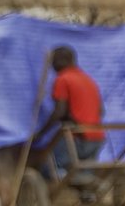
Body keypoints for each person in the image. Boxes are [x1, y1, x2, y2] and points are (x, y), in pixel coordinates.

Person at [34, 45, 105, 180]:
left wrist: (40, 133)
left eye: (53, 61)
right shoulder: (88, 79)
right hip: (97, 137)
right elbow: (101, 111)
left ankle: (68, 179)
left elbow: (59, 112)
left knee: (50, 168)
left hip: (76, 138)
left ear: (62, 60)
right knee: (85, 171)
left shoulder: (63, 79)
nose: (52, 66)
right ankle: (89, 192)